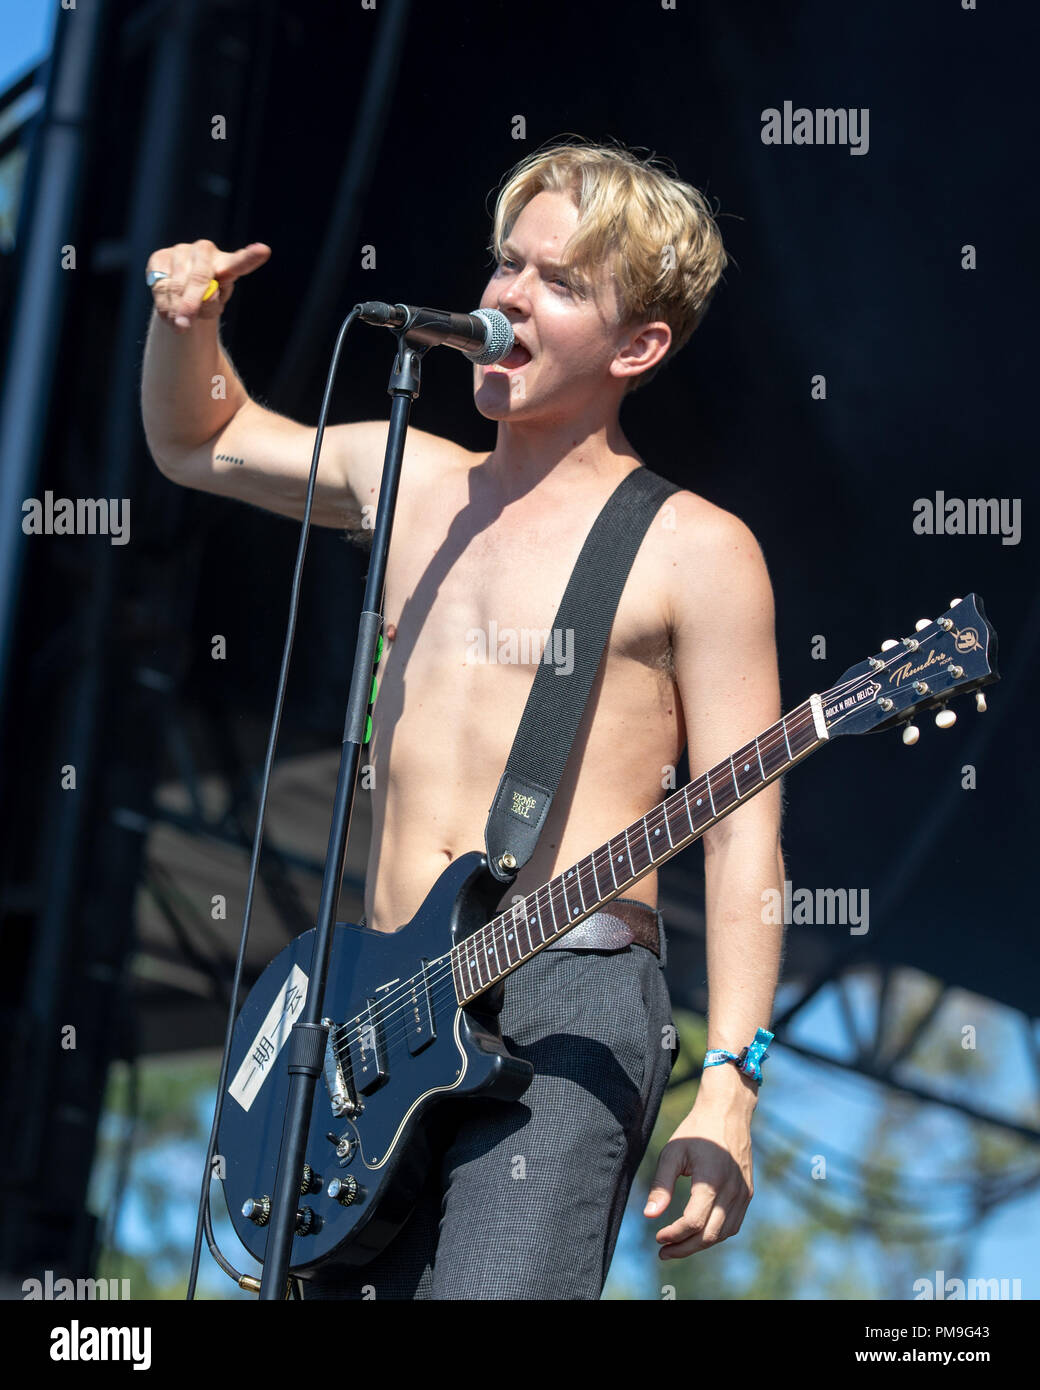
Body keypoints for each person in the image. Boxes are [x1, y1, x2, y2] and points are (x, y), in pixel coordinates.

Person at [141, 138, 786, 1299]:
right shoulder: (410, 478)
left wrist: (732, 1076)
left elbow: (746, 834)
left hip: (564, 997)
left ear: (638, 345)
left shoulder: (697, 549)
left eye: (558, 283)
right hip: (370, 1017)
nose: (504, 296)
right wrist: (186, 323)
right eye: (504, 264)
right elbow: (199, 439)